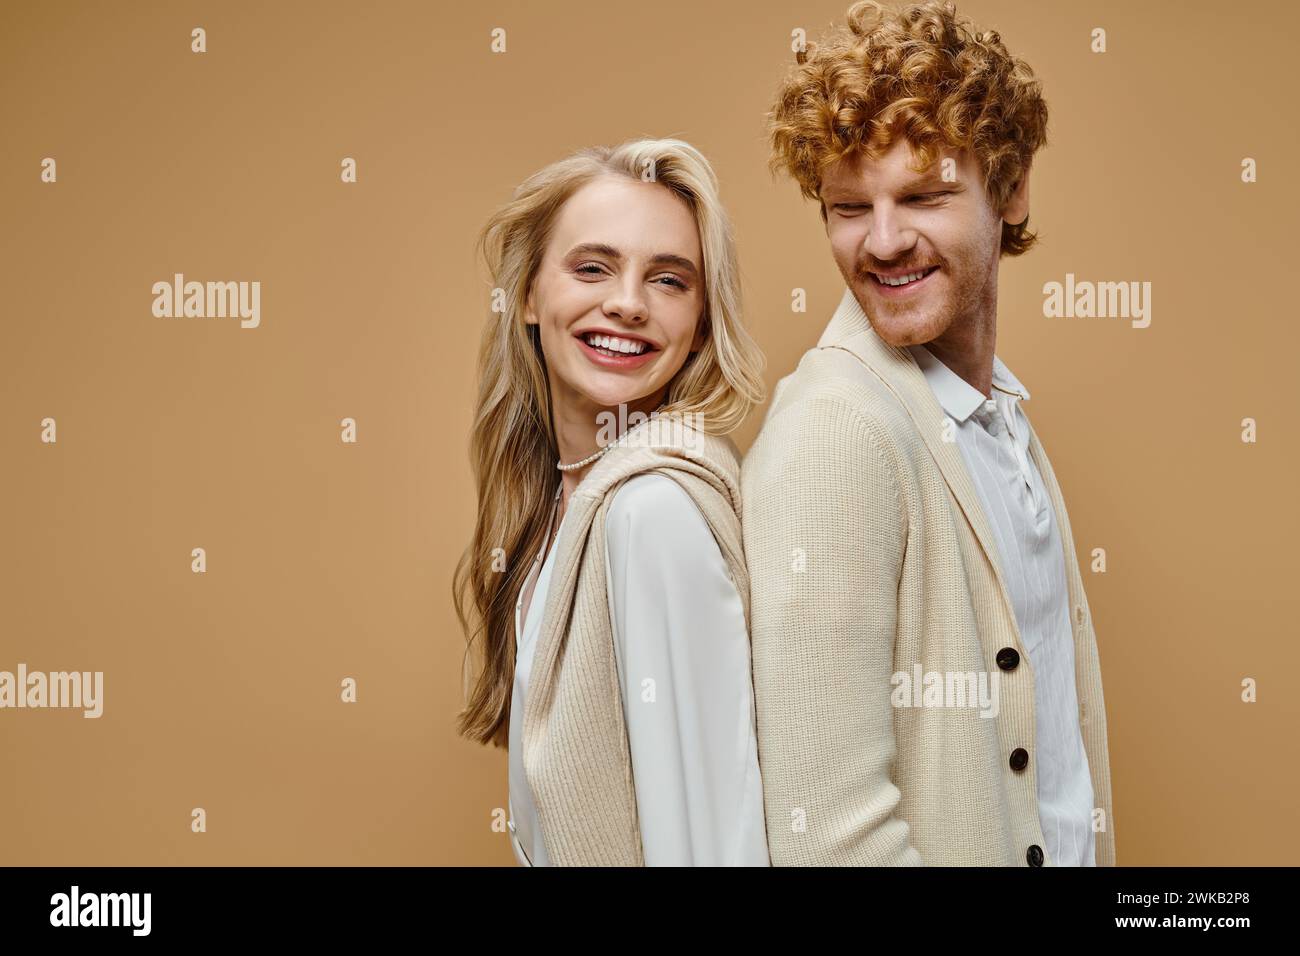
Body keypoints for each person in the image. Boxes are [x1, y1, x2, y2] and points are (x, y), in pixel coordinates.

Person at [744, 0, 1115, 866]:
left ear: (1011, 187)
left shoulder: (999, 425)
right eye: (846, 207)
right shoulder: (838, 435)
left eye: (924, 195)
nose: (883, 241)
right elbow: (829, 838)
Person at [454, 138, 770, 866]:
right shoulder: (563, 513)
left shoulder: (651, 512)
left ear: (698, 330)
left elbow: (710, 846)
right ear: (528, 295)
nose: (627, 304)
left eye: (669, 281)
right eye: (592, 267)